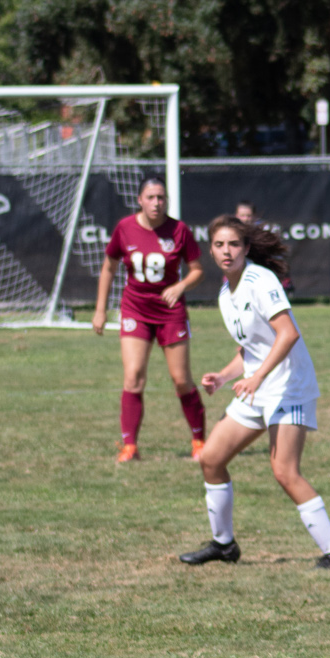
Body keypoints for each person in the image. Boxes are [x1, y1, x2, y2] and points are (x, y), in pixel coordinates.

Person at [177, 218, 330, 569]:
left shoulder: (260, 280)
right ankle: (224, 545)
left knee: (284, 471)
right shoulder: (227, 292)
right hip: (259, 386)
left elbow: (287, 334)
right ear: (210, 250)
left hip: (289, 387)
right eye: (220, 245)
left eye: (234, 245)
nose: (227, 251)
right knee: (211, 459)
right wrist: (224, 377)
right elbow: (251, 348)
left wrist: (257, 379)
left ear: (246, 248)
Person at [93, 174, 207, 462]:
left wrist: (180, 286)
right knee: (133, 378)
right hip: (136, 310)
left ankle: (199, 440)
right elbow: (109, 268)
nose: (157, 203)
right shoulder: (125, 228)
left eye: (161, 198)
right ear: (140, 201)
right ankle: (129, 447)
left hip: (171, 313)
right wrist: (100, 309)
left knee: (181, 380)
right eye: (151, 197)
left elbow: (197, 270)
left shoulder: (179, 230)